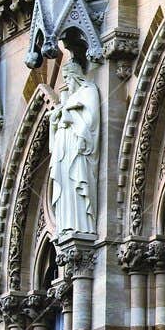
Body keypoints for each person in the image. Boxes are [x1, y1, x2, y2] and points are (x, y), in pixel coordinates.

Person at [49, 59, 101, 239]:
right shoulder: (71, 98)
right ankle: (66, 226)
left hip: (77, 149)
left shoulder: (88, 91)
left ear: (76, 76)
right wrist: (54, 122)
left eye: (67, 78)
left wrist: (69, 114)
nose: (65, 82)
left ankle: (82, 225)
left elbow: (91, 120)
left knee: (77, 180)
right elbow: (52, 143)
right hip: (64, 150)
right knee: (65, 186)